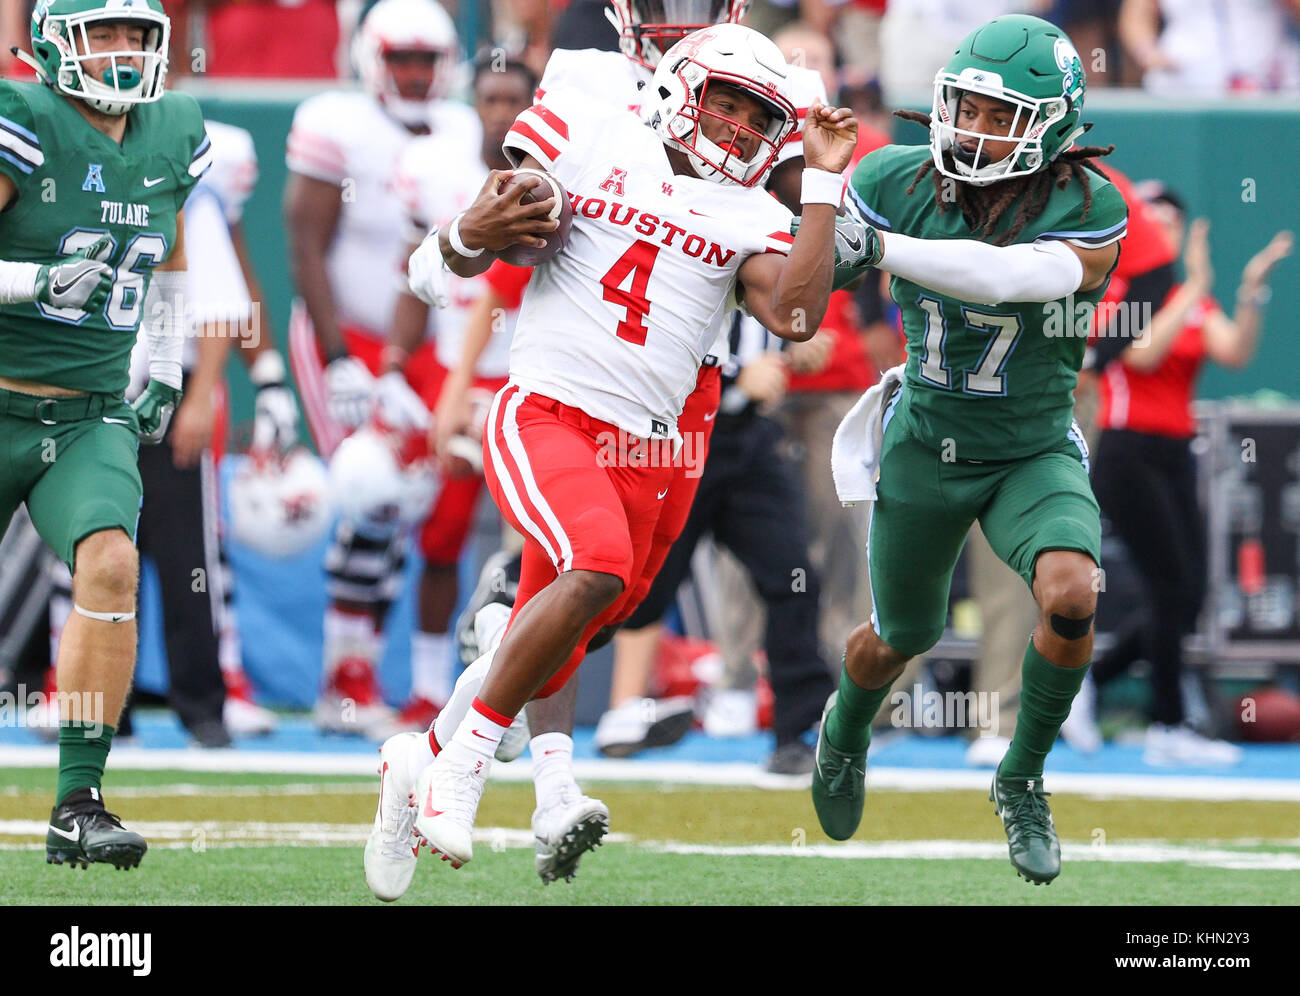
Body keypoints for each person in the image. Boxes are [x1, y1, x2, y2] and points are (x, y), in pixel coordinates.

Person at [405, 22, 856, 874]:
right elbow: (484, 243)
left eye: (759, 118)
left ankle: (422, 756)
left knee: (598, 610)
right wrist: (469, 237)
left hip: (646, 440)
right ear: (678, 89)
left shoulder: (754, 210)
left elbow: (796, 318)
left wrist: (824, 186)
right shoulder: (587, 127)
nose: (738, 130)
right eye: (726, 104)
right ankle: (462, 770)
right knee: (597, 566)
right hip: (546, 407)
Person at [815, 13, 1128, 885]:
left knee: (1070, 594)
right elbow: (804, 279)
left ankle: (1021, 775)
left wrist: (878, 245)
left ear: (1051, 126)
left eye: (999, 116)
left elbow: (1013, 277)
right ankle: (845, 732)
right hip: (925, 440)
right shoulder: (892, 175)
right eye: (965, 108)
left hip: (1031, 447)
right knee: (898, 639)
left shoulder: (1090, 205)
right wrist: (814, 206)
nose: (974, 130)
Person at [0, 0, 211, 867]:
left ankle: (77, 802)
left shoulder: (172, 132)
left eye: (137, 34)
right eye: (103, 34)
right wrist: (33, 285)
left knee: (112, 559)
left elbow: (170, 259)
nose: (122, 52)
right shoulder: (25, 117)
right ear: (53, 41)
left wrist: (165, 363)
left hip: (87, 413)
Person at [283, 0, 477, 738]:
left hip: (422, 344)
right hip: (349, 334)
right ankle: (344, 674)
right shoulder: (335, 123)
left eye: (427, 61)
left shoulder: (461, 130)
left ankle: (363, 672)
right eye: (402, 60)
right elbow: (305, 247)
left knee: (413, 503)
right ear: (371, 58)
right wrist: (337, 358)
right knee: (370, 490)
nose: (416, 75)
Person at [1085, 184, 1292, 764]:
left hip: (1178, 452)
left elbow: (1235, 352)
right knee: (1170, 585)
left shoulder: (1190, 300)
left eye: (1172, 221)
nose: (1165, 230)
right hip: (1127, 450)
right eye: (1154, 220)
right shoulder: (1122, 293)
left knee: (1190, 590)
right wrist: (1194, 286)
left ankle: (1096, 684)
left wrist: (1251, 292)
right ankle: (1166, 723)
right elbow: (1142, 355)